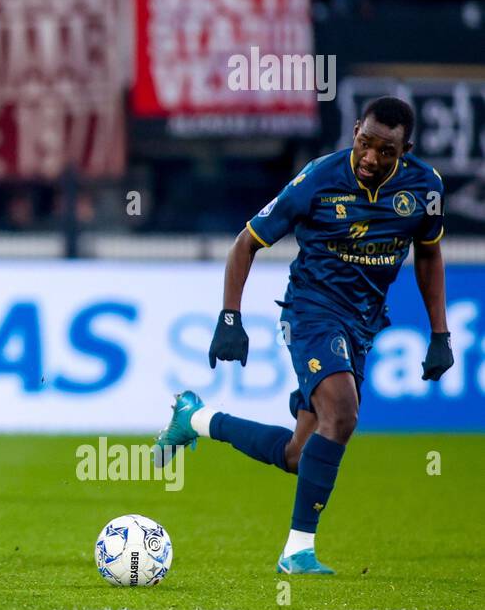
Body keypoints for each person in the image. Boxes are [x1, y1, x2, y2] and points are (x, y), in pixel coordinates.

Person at [155, 97, 454, 575]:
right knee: (343, 413)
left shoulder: (426, 188)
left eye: (386, 151)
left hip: (362, 322)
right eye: (364, 144)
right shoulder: (318, 178)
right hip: (311, 311)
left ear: (407, 149)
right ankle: (297, 552)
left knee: (300, 454)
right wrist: (230, 317)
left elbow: (428, 254)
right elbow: (246, 241)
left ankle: (197, 419)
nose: (371, 158)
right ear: (354, 131)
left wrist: (440, 333)